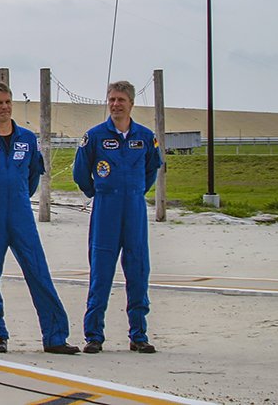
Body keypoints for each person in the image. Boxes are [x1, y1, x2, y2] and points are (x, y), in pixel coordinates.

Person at [0, 82, 79, 355]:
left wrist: (19, 195)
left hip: (21, 214)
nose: (4, 107)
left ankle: (55, 336)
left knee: (38, 272)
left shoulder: (27, 139)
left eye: (8, 102)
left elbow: (34, 175)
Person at [72, 80, 162, 355]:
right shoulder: (95, 136)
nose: (115, 104)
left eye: (121, 99)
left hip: (134, 209)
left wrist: (136, 190)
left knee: (138, 270)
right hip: (106, 209)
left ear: (131, 103)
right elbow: (80, 172)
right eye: (111, 99)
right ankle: (94, 335)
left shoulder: (145, 137)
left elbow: (151, 169)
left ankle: (138, 334)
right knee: (101, 272)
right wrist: (97, 191)